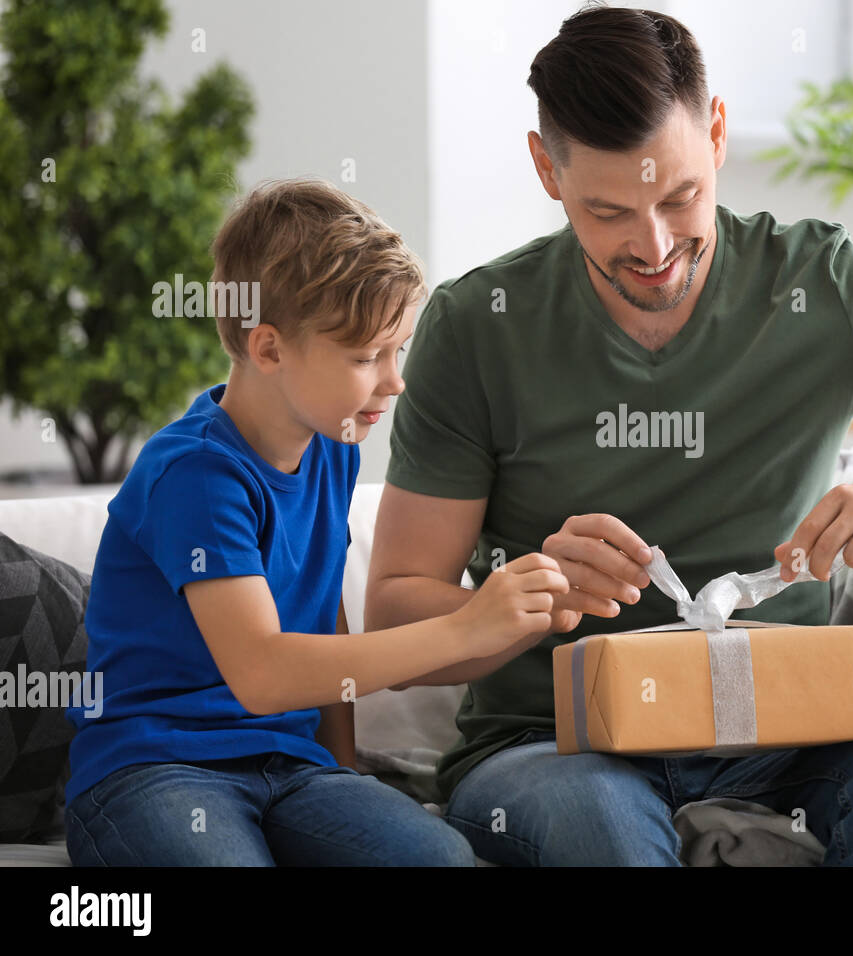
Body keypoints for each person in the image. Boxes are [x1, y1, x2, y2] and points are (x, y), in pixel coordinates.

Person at [366, 5, 853, 866]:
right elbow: (397, 610)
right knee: (599, 821)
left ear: (720, 133)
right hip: (554, 748)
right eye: (609, 211)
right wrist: (525, 596)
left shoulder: (823, 286)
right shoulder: (480, 327)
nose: (654, 246)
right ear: (547, 170)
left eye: (680, 196)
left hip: (786, 736)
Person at [62, 177, 569, 866]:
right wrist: (464, 625)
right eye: (365, 357)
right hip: (155, 767)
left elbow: (321, 617)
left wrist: (342, 765)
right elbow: (265, 671)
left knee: (438, 859)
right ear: (268, 349)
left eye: (399, 349)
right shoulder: (195, 475)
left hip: (289, 765)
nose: (395, 382)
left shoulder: (332, 448)